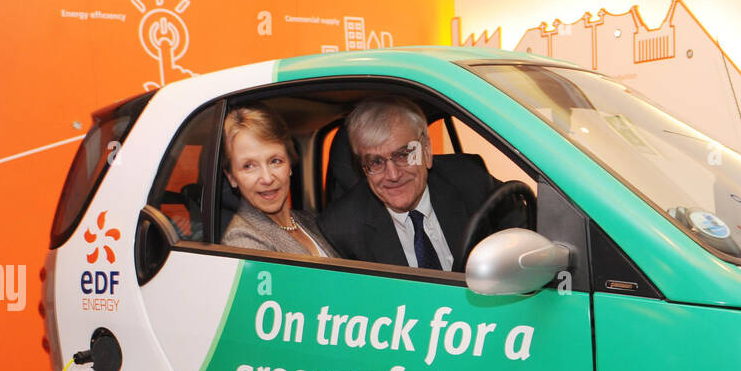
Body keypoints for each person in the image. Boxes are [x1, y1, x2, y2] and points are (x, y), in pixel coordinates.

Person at [319, 97, 525, 270]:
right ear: (363, 167)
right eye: (376, 162)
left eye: (404, 154)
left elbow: (523, 235)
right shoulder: (342, 229)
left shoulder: (470, 179)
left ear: (426, 150)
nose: (392, 175)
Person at [221, 104, 336, 257]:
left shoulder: (309, 220)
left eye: (275, 161)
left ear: (289, 164)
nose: (267, 178)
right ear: (232, 177)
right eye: (249, 166)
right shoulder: (242, 240)